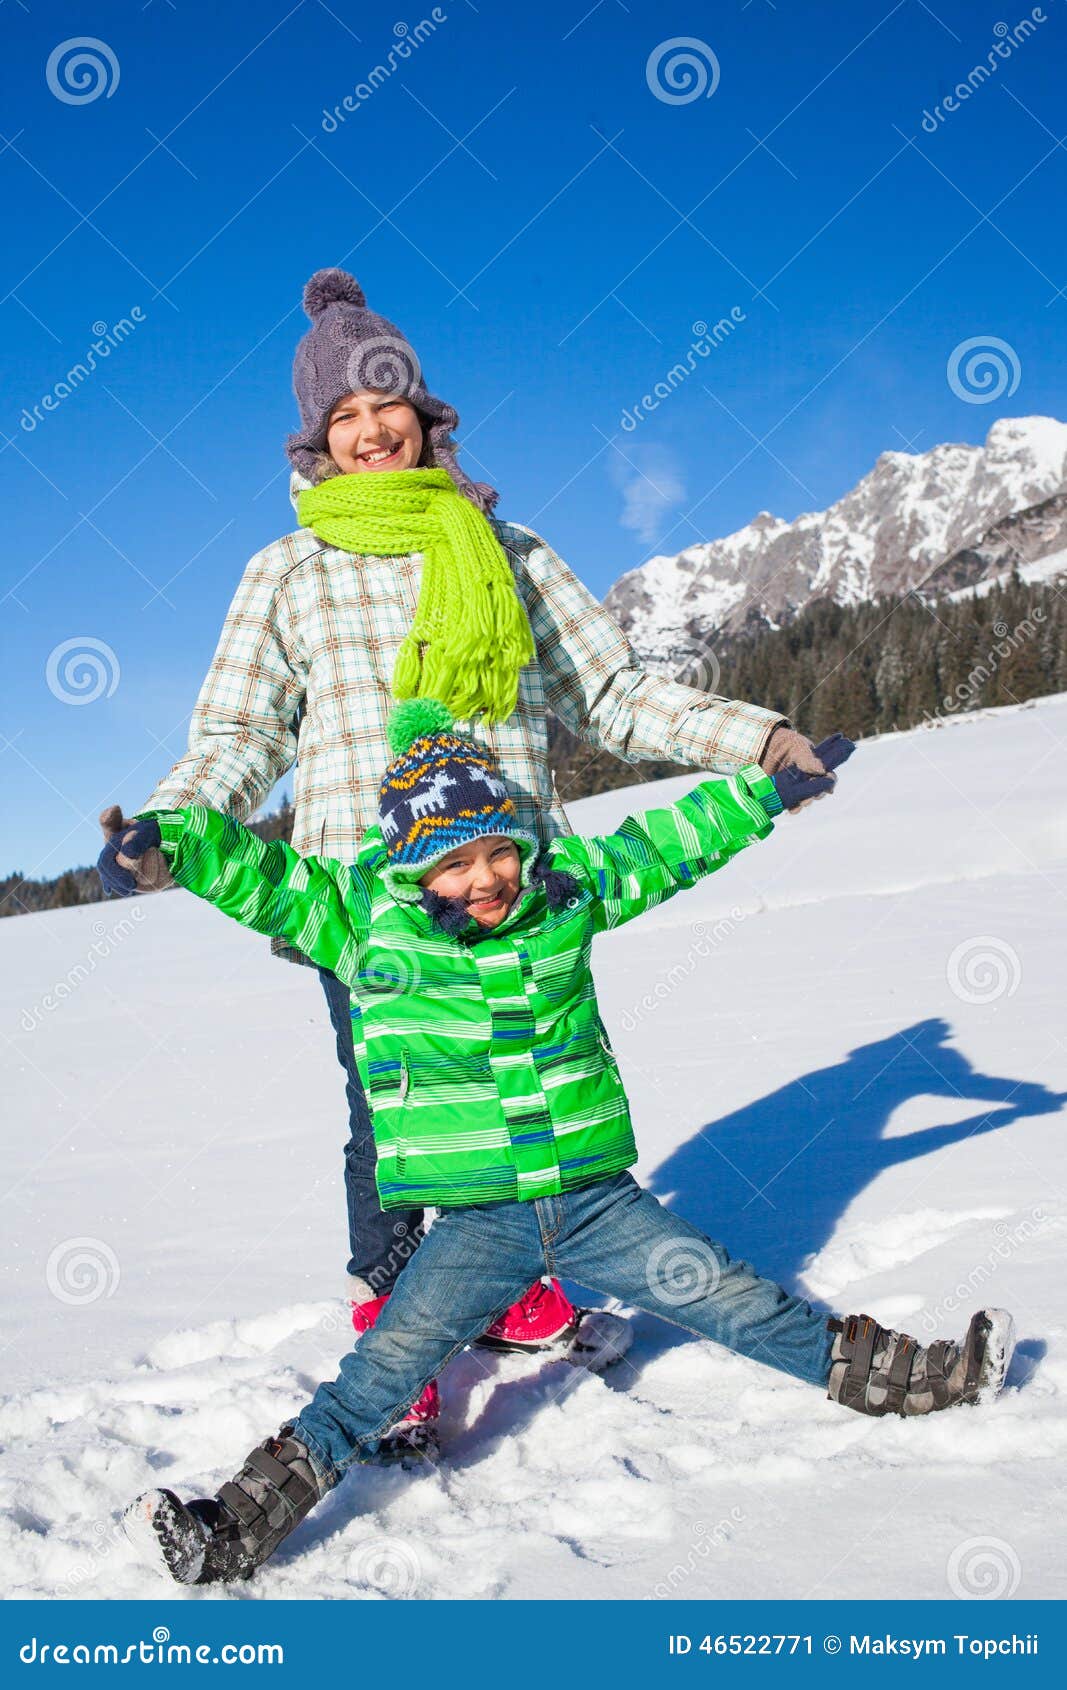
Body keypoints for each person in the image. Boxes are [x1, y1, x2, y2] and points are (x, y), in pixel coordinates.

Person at [98, 266, 837, 1452]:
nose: (369, 428)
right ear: (317, 440)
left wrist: (756, 741)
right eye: (343, 414)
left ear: (423, 412)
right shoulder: (288, 572)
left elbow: (610, 693)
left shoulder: (511, 550)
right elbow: (240, 738)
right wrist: (169, 830)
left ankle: (507, 1286)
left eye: (384, 401)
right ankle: (396, 1329)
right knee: (392, 1104)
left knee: (525, 1081)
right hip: (362, 898)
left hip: (513, 883)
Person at [110, 704, 1014, 1586]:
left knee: (741, 1302)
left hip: (595, 1204)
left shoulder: (564, 894)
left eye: (499, 850)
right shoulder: (362, 924)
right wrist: (173, 844)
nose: (487, 878)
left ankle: (917, 1380)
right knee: (375, 1377)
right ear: (412, 867)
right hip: (475, 1226)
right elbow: (261, 876)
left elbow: (661, 848)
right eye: (454, 862)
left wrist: (761, 794)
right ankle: (229, 1534)